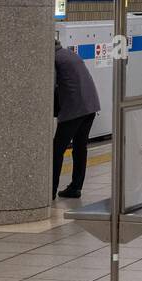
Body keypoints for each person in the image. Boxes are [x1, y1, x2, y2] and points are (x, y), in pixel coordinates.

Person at [52, 38, 102, 199]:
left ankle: (49, 190)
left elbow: (50, 86)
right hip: (90, 105)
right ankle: (76, 187)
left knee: (57, 149)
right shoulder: (68, 54)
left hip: (75, 109)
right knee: (80, 148)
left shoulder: (53, 59)